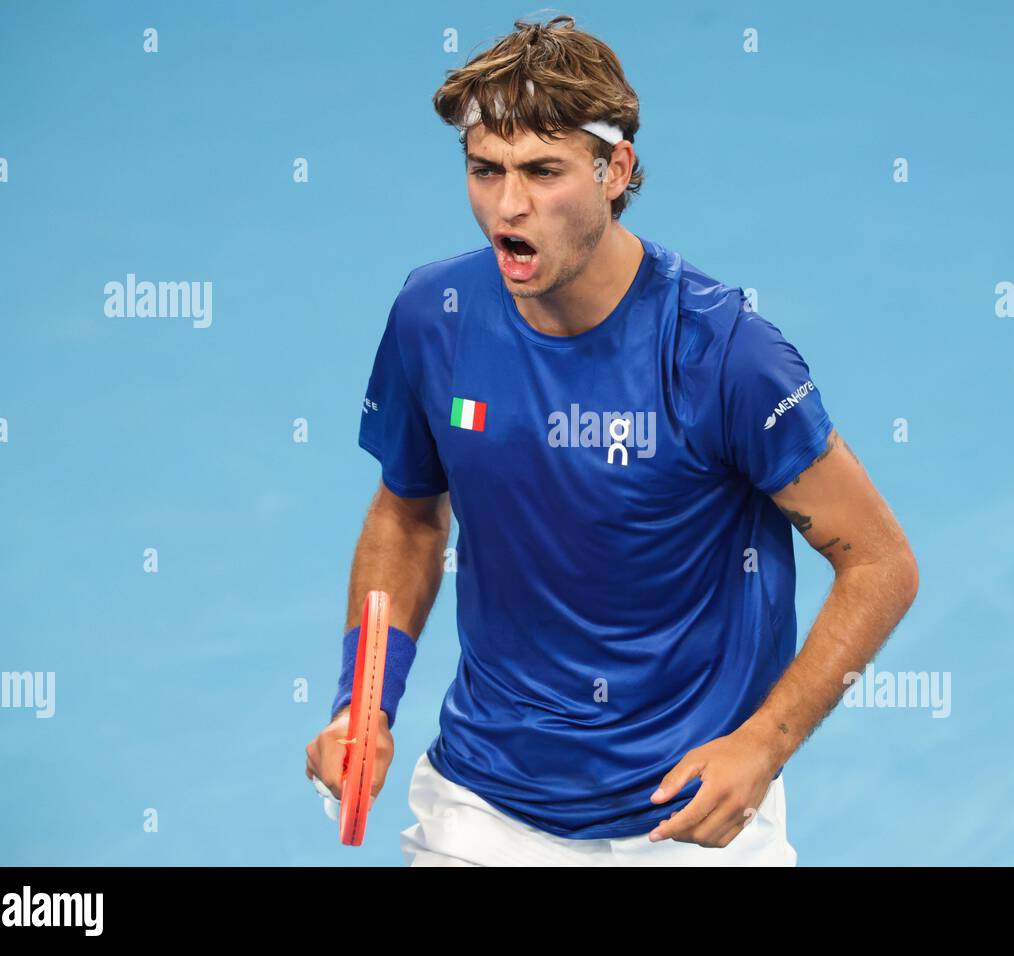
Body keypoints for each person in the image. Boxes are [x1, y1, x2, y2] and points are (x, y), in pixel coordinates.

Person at [305, 14, 918, 866]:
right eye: (486, 171)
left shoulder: (725, 355)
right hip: (481, 811)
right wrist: (362, 703)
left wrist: (765, 746)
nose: (507, 205)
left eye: (542, 171)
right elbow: (407, 517)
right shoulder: (434, 318)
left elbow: (880, 561)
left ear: (615, 168)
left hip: (693, 826)